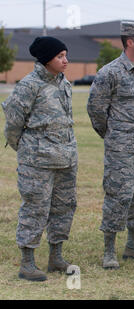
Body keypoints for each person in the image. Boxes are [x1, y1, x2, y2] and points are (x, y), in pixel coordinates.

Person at [2, 36, 77, 281]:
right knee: (35, 209)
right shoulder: (29, 85)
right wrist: (25, 149)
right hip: (37, 161)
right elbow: (13, 124)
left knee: (64, 207)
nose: (65, 60)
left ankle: (56, 257)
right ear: (46, 60)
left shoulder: (64, 83)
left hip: (65, 159)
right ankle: (27, 263)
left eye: (65, 55)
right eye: (59, 56)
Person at [87, 21, 134, 269]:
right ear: (130, 41)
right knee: (118, 195)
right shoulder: (110, 72)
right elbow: (96, 110)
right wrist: (114, 136)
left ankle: (133, 245)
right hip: (121, 147)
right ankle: (109, 250)